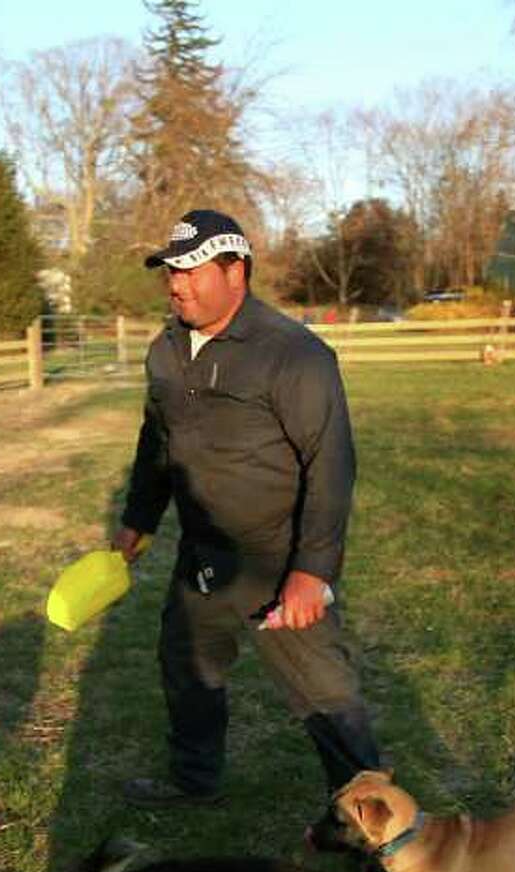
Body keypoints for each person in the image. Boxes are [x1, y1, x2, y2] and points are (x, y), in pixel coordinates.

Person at [114, 209, 382, 824]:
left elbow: (331, 464)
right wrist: (138, 518)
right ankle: (195, 781)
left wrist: (312, 571)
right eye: (171, 272)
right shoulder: (166, 350)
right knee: (186, 666)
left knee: (326, 697)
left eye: (191, 271)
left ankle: (374, 830)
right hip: (203, 555)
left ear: (236, 271)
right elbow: (157, 442)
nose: (176, 285)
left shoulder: (294, 354)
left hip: (276, 560)